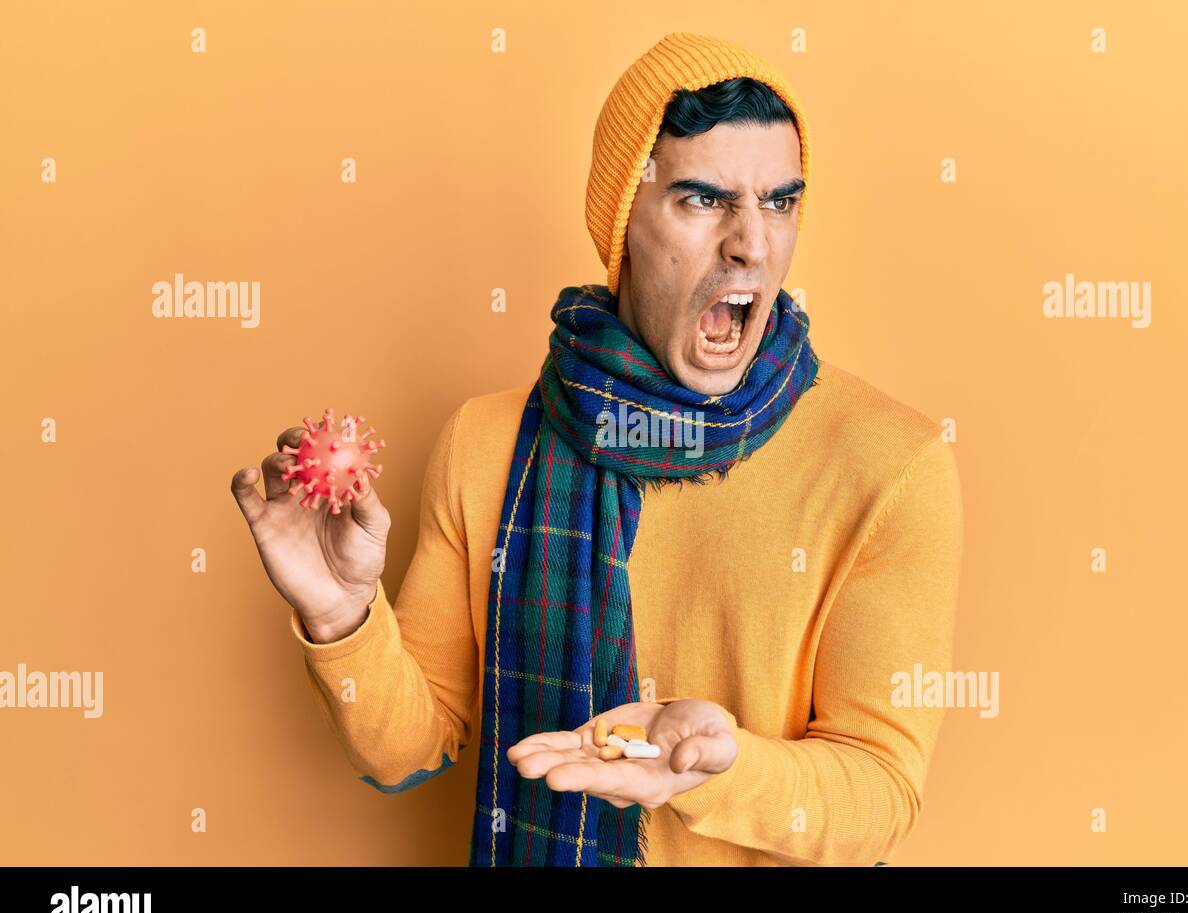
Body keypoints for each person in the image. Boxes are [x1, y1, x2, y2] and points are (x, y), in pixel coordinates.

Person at [231, 31, 963, 867]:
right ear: (622, 222)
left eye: (780, 202)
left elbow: (882, 793)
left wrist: (714, 768)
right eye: (702, 199)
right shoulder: (488, 442)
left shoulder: (891, 463)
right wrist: (340, 616)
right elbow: (405, 752)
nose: (751, 245)